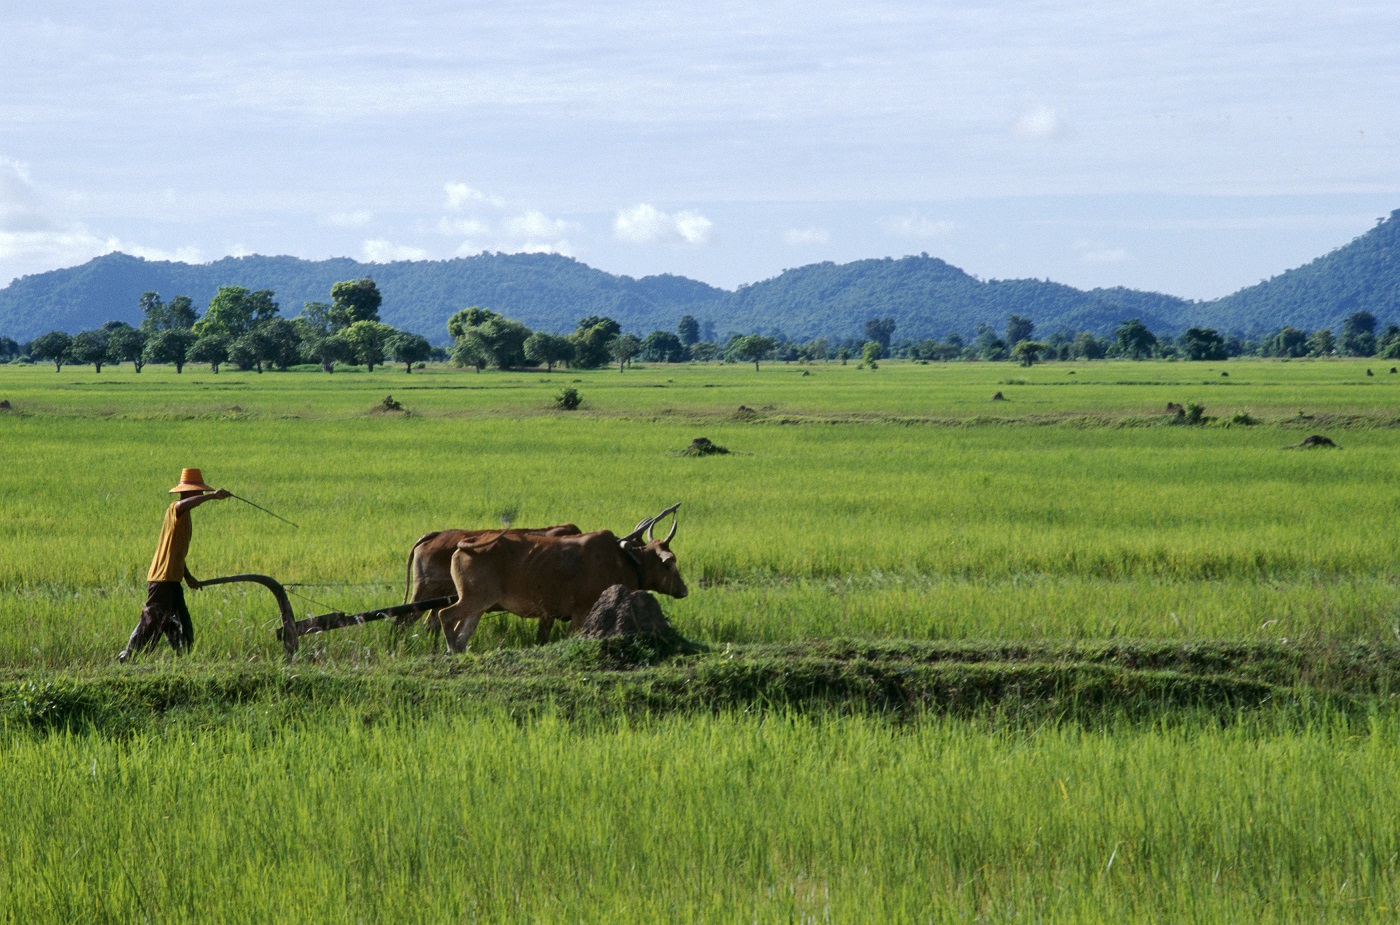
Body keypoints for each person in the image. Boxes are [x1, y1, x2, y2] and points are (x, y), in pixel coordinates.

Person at [118, 468, 231, 663]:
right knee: (153, 619)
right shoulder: (175, 509)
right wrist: (212, 497)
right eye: (199, 492)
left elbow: (177, 553)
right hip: (162, 578)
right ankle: (129, 656)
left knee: (180, 621)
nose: (201, 495)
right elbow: (182, 505)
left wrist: (188, 577)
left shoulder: (185, 517)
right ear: (188, 492)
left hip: (173, 578)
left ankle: (185, 658)